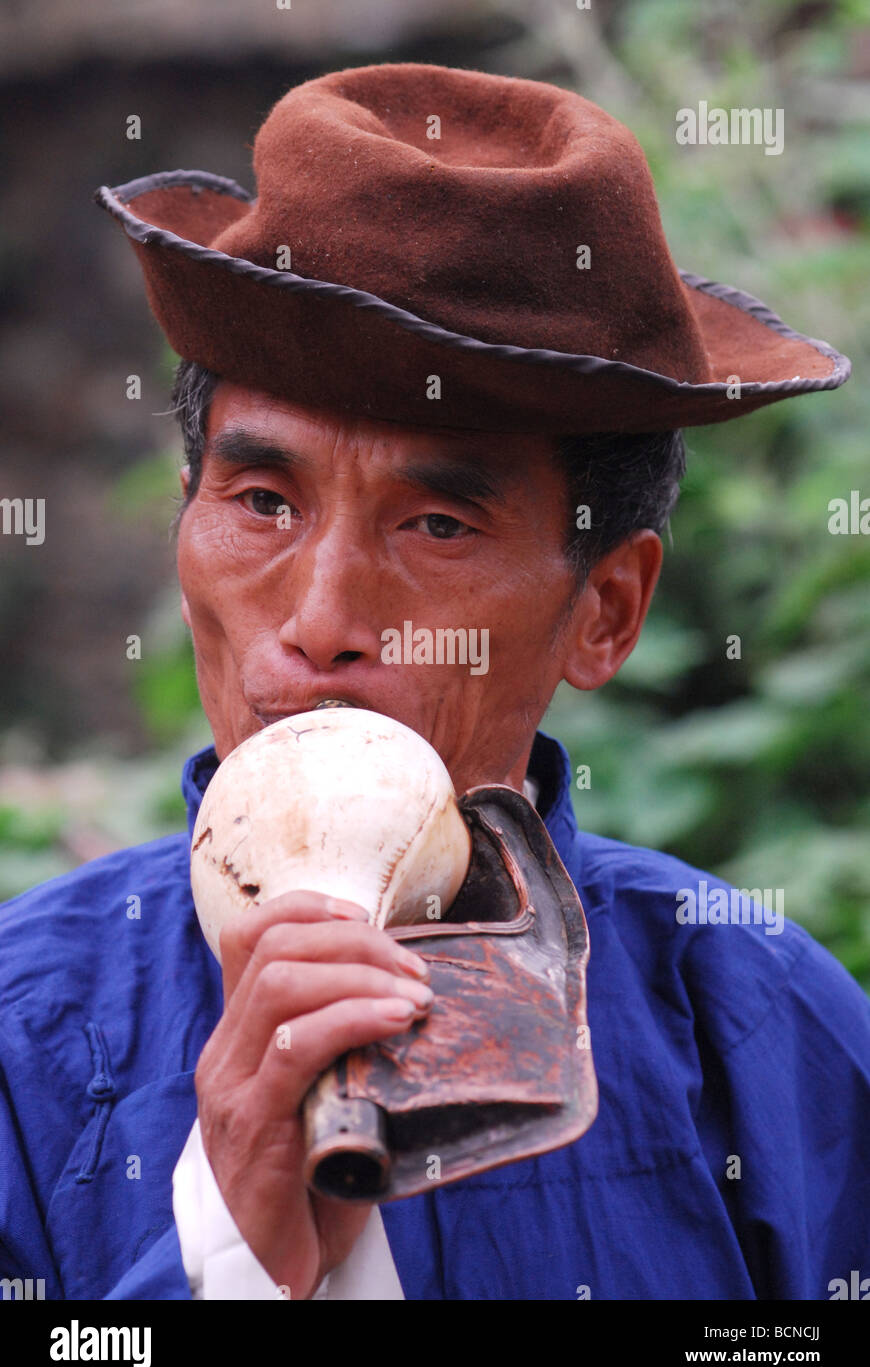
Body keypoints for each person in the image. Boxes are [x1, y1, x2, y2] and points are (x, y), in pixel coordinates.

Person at [1, 62, 867, 1301]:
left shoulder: (761, 1031)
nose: (320, 621)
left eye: (439, 527)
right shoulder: (25, 1031)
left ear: (606, 609)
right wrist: (232, 1266)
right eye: (260, 500)